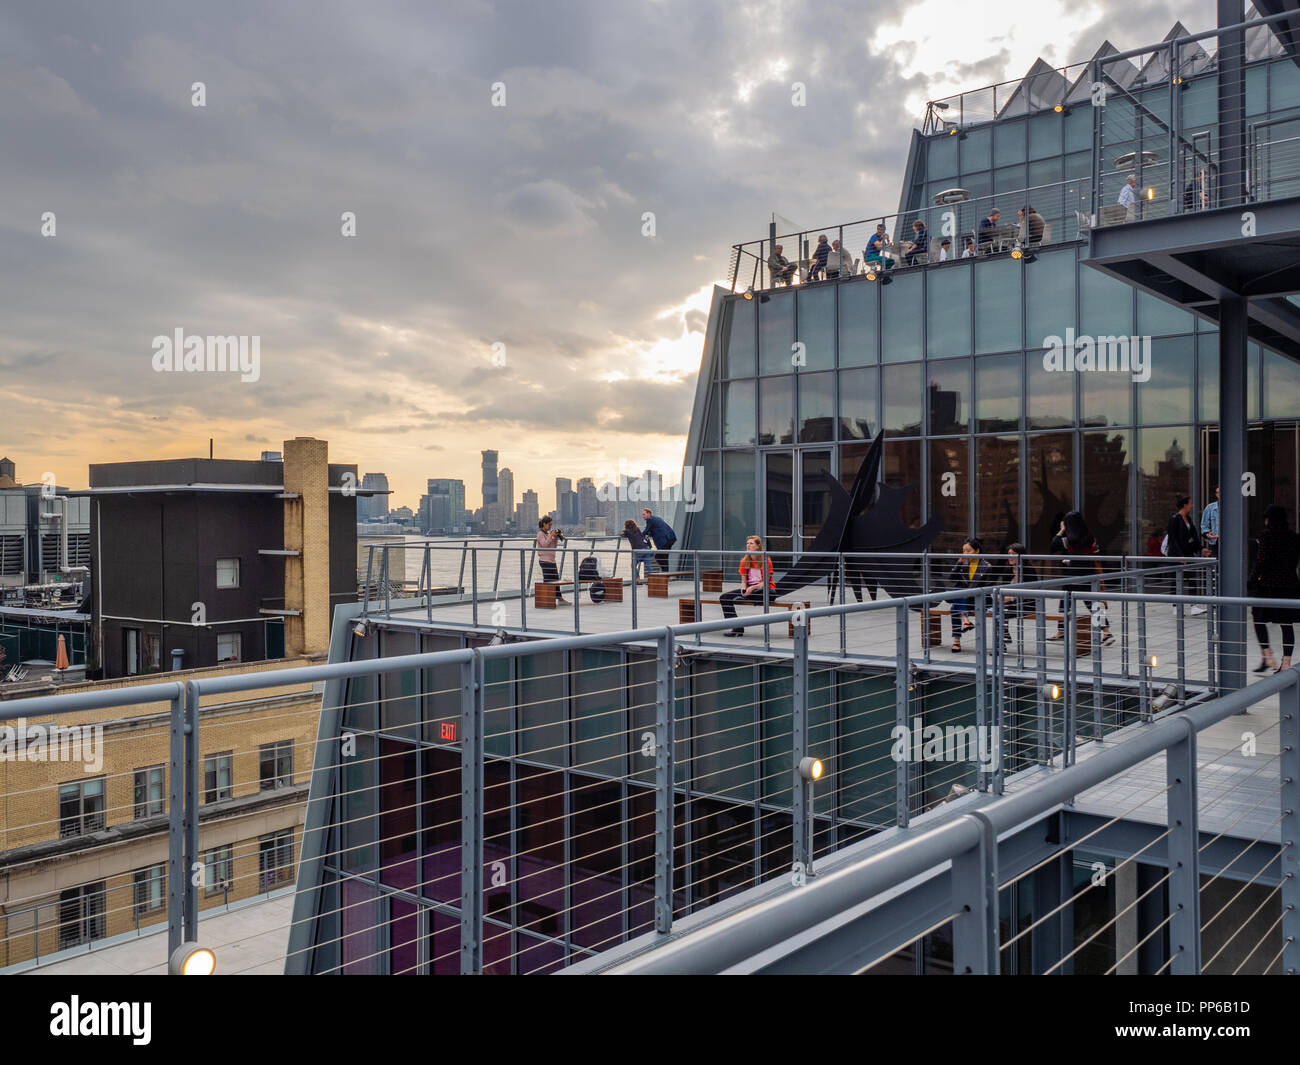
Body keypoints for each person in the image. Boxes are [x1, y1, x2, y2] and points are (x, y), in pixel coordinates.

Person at [1047, 511, 1115, 645]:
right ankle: (1106, 632)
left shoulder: (1070, 540)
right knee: (1093, 604)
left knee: (1065, 603)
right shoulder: (1090, 538)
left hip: (1073, 576)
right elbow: (1093, 556)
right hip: (1088, 573)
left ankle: (1061, 631)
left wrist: (1061, 530)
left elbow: (1054, 545)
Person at [1249, 503, 1300, 672]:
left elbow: (1262, 562)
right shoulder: (1294, 537)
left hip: (1268, 586)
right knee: (1286, 624)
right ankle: (1286, 663)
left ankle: (1268, 655)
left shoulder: (1266, 536)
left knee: (1258, 617)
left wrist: (1252, 579)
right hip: (1289, 585)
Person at [721, 535, 775, 636]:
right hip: (750, 590)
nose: (748, 545)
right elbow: (744, 581)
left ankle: (745, 597)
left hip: (763, 589)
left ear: (758, 546)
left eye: (751, 543)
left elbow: (766, 582)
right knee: (724, 598)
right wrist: (743, 588)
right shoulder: (744, 561)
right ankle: (737, 628)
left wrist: (752, 588)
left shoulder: (765, 560)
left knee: (763, 592)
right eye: (747, 543)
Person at [947, 537, 993, 652]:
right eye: (963, 551)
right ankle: (965, 621)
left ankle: (957, 640)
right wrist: (958, 563)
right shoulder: (963, 564)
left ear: (977, 551)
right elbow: (951, 578)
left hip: (978, 599)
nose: (965, 553)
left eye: (968, 551)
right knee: (955, 602)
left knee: (954, 606)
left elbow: (988, 587)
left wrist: (971, 593)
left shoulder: (986, 566)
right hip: (964, 599)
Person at [1165, 495, 1206, 615]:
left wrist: (1201, 549)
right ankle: (1176, 607)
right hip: (1178, 555)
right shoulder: (1174, 518)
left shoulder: (1188, 518)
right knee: (1177, 580)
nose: (1192, 505)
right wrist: (1180, 556)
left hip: (1188, 554)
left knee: (1192, 578)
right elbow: (1173, 539)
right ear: (1185, 505)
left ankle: (1194, 606)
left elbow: (1193, 537)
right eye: (1190, 503)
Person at [1001, 542, 1039, 644]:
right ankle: (1003, 639)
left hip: (1027, 604)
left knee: (1001, 611)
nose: (1010, 557)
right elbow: (1003, 588)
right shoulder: (1007, 570)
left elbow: (1031, 592)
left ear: (1020, 555)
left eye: (1013, 554)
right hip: (1010, 604)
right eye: (1009, 554)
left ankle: (1002, 641)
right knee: (999, 609)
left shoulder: (1029, 570)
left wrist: (1012, 598)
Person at [535, 516, 568, 604]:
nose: (550, 526)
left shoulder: (548, 534)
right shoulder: (540, 534)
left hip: (552, 560)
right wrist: (551, 535)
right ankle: (546, 599)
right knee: (548, 581)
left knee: (556, 580)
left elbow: (554, 546)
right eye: (549, 524)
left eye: (551, 525)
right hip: (545, 561)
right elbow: (544, 544)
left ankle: (560, 599)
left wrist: (556, 537)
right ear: (544, 524)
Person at [642, 508, 677, 572]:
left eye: (644, 514)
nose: (643, 516)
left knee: (658, 557)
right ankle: (665, 574)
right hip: (671, 538)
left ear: (649, 513)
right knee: (664, 557)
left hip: (666, 540)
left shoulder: (650, 520)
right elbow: (651, 531)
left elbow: (646, 531)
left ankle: (665, 573)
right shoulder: (656, 518)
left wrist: (638, 536)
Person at [621, 518, 653, 584]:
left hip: (638, 550)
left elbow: (620, 534)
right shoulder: (637, 529)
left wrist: (625, 535)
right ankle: (652, 580)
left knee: (633, 565)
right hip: (646, 548)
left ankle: (638, 580)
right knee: (648, 566)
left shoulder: (627, 531)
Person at [1201, 484, 1220, 559]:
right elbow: (1204, 526)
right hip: (1215, 542)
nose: (1219, 495)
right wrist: (1207, 534)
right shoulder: (1210, 508)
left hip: (1231, 542)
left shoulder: (1233, 507)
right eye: (1217, 493)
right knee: (1215, 566)